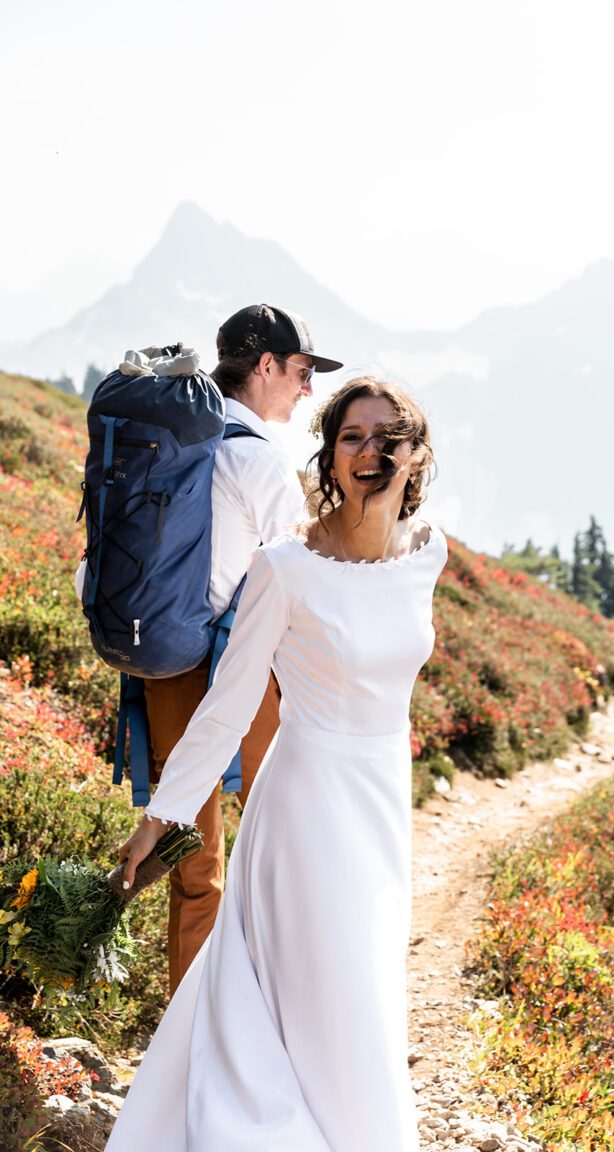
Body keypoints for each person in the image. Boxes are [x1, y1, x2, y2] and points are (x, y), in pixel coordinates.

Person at [106, 377, 447, 1152]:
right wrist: (161, 818)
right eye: (352, 437)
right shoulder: (285, 568)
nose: (369, 451)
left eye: (387, 436)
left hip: (384, 798)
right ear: (329, 454)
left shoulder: (430, 553)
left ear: (415, 455)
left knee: (364, 973)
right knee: (337, 980)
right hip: (307, 804)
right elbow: (225, 707)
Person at [142, 303, 343, 992]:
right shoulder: (258, 458)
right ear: (265, 366)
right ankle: (261, 1033)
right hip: (244, 674)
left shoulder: (172, 444)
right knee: (273, 857)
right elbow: (301, 584)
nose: (307, 388)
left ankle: (184, 1040)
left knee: (192, 869)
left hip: (167, 664)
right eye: (300, 371)